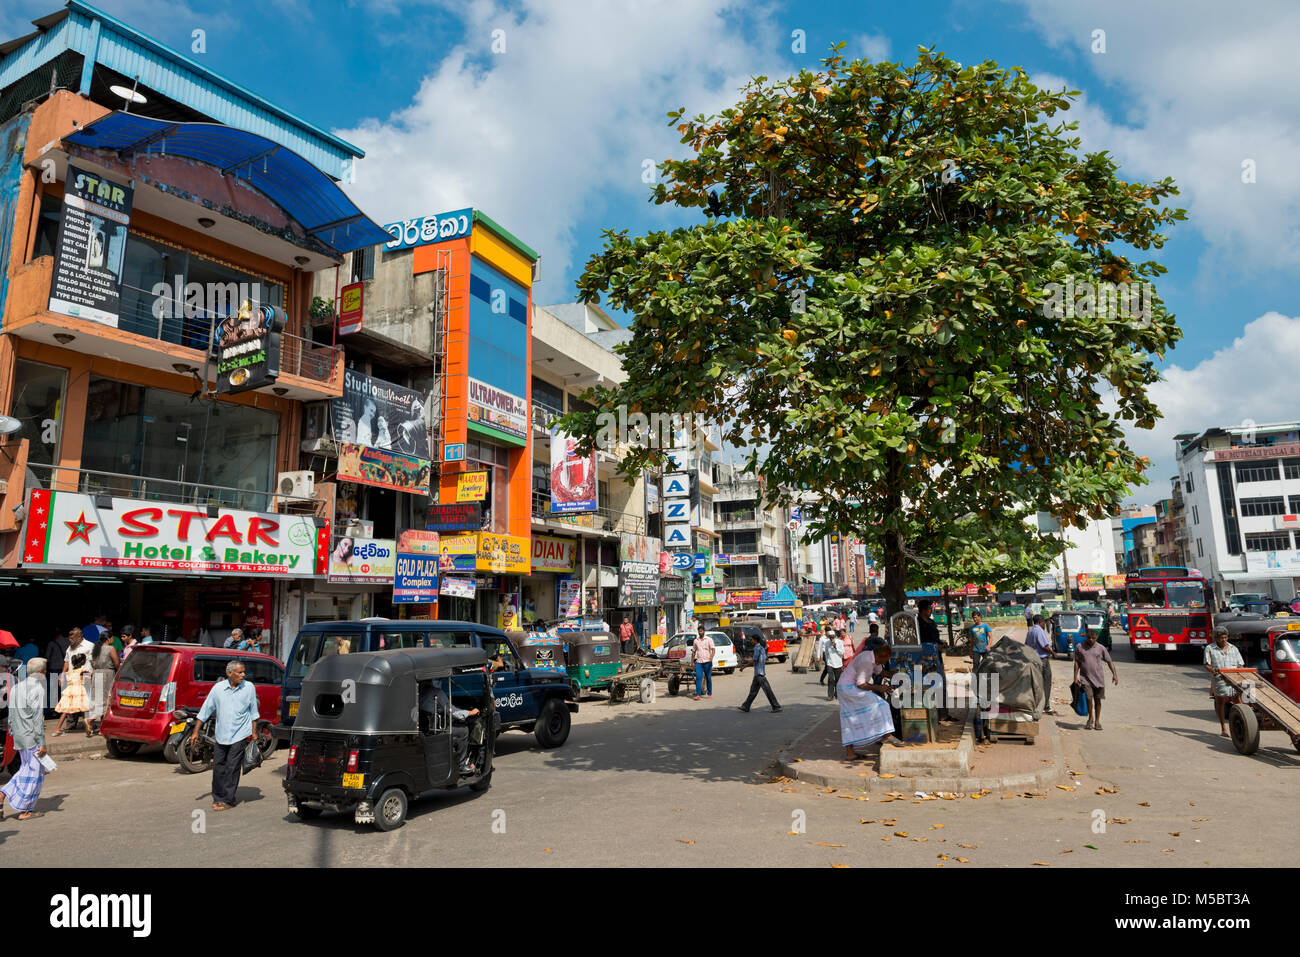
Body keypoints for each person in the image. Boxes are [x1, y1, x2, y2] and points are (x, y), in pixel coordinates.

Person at [192, 659, 260, 811]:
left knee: (232, 766)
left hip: (240, 734)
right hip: (221, 735)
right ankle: (218, 797)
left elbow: (254, 712)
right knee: (218, 766)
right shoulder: (218, 689)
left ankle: (228, 799)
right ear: (229, 673)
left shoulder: (249, 688)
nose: (243, 675)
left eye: (244, 672)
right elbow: (205, 710)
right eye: (240, 672)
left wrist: (254, 731)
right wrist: (196, 731)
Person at [0, 658, 49, 821]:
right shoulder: (36, 689)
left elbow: (11, 715)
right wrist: (42, 743)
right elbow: (37, 719)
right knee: (34, 773)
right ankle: (25, 810)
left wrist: (14, 735)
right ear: (41, 672)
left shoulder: (17, 687)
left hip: (20, 736)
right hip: (31, 737)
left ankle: (3, 794)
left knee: (26, 769)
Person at [837, 637, 902, 759]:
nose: (884, 663)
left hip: (846, 687)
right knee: (882, 704)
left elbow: (880, 672)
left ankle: (850, 753)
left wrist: (895, 675)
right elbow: (861, 684)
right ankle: (886, 735)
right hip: (847, 688)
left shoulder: (872, 656)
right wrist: (879, 687)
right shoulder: (867, 661)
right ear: (880, 657)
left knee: (850, 717)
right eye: (884, 661)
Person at [420, 681, 481, 773]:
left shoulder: (418, 691)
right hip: (434, 730)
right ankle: (462, 765)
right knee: (463, 731)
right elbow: (453, 712)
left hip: (423, 728)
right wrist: (470, 712)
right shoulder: (436, 692)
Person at [1072, 626, 1118, 731]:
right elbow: (1077, 662)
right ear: (1086, 637)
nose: (1091, 640)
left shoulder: (1101, 648)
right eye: (1089, 638)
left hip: (1099, 679)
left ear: (1096, 637)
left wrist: (1114, 674)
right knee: (1088, 698)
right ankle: (1090, 718)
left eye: (1093, 638)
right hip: (1085, 678)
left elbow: (1109, 661)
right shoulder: (1079, 647)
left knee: (1098, 700)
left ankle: (1097, 721)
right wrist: (1075, 677)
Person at [1204, 626, 1245, 737]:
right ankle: (1223, 728)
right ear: (1216, 638)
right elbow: (1206, 664)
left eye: (1225, 637)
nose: (1224, 640)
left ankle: (1243, 723)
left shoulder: (1234, 648)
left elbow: (1240, 664)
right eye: (1221, 638)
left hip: (1234, 678)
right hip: (1219, 679)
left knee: (1238, 699)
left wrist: (1240, 672)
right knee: (1221, 702)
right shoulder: (1210, 648)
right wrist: (1213, 670)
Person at [54, 628, 93, 737]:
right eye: (69, 637)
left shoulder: (89, 646)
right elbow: (66, 661)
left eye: (72, 638)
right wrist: (62, 675)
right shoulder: (69, 648)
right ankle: (71, 724)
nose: (69, 639)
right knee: (72, 704)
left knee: (85, 703)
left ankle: (88, 724)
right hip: (72, 679)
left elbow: (93, 661)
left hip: (84, 679)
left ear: (79, 637)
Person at [85, 631, 120, 735]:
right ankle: (90, 720)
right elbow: (116, 663)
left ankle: (101, 727)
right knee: (106, 700)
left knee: (98, 700)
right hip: (107, 674)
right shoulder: (110, 648)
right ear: (108, 639)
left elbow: (92, 662)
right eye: (112, 638)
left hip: (96, 674)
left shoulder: (96, 648)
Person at [737, 632, 782, 713]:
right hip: (759, 673)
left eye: (752, 640)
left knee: (767, 690)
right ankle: (746, 706)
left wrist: (744, 666)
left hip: (759, 674)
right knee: (753, 691)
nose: (751, 641)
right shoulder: (761, 648)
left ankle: (776, 706)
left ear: (755, 640)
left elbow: (754, 661)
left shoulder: (757, 648)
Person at [1024, 614, 1056, 716]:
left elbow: (1026, 646)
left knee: (1036, 684)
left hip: (1033, 660)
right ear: (1041, 622)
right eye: (1044, 623)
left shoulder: (1030, 631)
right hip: (1042, 660)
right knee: (1046, 683)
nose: (1045, 625)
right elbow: (1044, 646)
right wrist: (1053, 653)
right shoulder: (1039, 631)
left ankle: (1037, 705)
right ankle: (1045, 706)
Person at [692, 624, 715, 700]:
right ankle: (698, 695)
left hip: (707, 662)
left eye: (701, 631)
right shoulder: (696, 641)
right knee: (698, 678)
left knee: (708, 678)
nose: (700, 632)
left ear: (704, 631)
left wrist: (711, 657)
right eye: (699, 631)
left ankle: (710, 694)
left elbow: (713, 649)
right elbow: (693, 651)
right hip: (699, 662)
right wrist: (692, 661)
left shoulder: (709, 639)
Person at [823, 627, 844, 700]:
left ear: (835, 636)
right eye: (830, 637)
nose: (831, 639)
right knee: (831, 679)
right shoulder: (827, 643)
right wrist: (826, 661)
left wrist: (836, 648)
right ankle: (830, 695)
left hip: (838, 663)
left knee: (838, 680)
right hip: (830, 663)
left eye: (832, 637)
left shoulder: (839, 642)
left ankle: (837, 694)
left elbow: (842, 653)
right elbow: (826, 653)